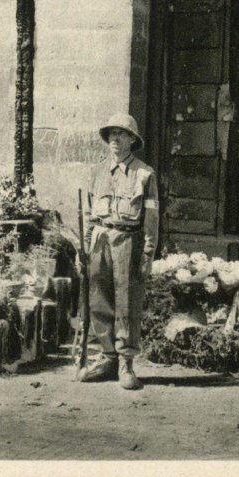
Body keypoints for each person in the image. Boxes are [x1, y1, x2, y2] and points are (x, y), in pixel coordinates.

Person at [78, 113, 159, 390]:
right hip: (100, 238)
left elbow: (150, 221)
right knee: (98, 299)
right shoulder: (96, 172)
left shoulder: (144, 174)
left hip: (127, 241)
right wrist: (86, 249)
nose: (114, 138)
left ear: (132, 140)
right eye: (111, 133)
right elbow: (89, 214)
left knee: (126, 302)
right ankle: (106, 357)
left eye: (121, 134)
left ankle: (126, 362)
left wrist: (147, 255)